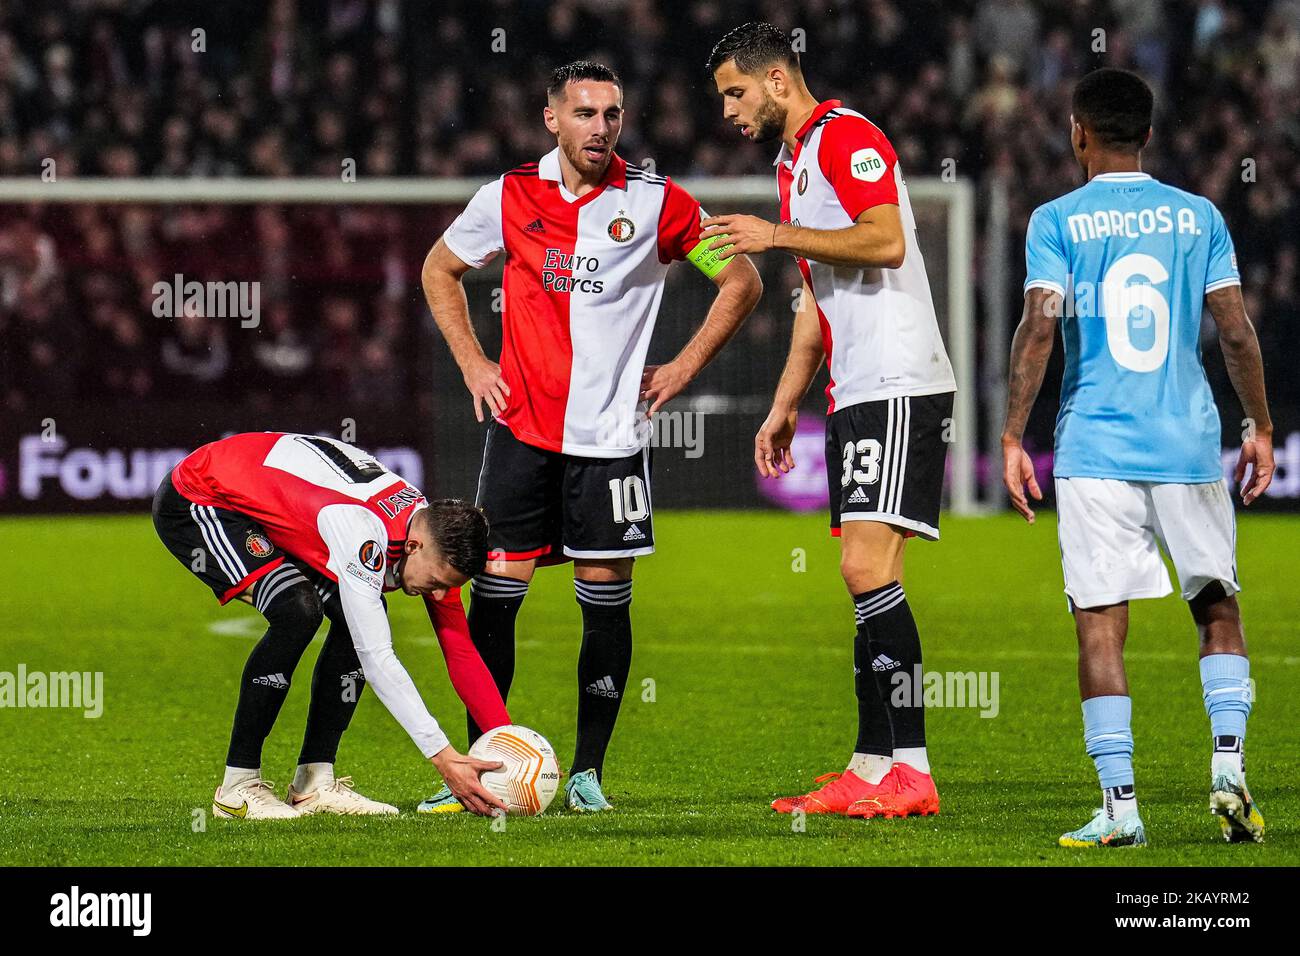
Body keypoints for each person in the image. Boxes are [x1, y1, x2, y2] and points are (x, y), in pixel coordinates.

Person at [420, 60, 762, 813]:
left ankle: (586, 775)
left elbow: (742, 281)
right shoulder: (508, 195)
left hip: (609, 442)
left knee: (605, 604)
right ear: (553, 119)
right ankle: (484, 769)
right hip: (520, 436)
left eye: (611, 113)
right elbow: (439, 270)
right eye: (584, 113)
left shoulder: (657, 203)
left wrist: (683, 365)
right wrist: (475, 360)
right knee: (495, 600)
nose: (600, 127)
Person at [1002, 68, 1274, 847]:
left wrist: (1015, 433)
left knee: (1099, 625)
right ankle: (1227, 769)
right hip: (1186, 443)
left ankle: (1121, 810)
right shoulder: (1199, 216)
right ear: (1149, 135)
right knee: (1216, 606)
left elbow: (1040, 329)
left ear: (1078, 132)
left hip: (1094, 449)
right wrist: (1256, 423)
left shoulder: (1055, 219)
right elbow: (1235, 332)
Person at [704, 21, 957, 819]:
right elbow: (817, 300)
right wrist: (785, 404)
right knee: (864, 575)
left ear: (779, 78)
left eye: (735, 93)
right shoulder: (794, 165)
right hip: (855, 387)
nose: (729, 113)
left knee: (864, 571)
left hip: (899, 378)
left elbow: (882, 242)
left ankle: (912, 770)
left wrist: (776, 236)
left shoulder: (848, 138)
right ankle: (871, 765)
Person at [152, 431, 511, 819]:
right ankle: (237, 787)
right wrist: (443, 758)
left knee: (350, 617)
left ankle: (313, 783)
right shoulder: (362, 532)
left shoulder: (435, 532)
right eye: (438, 583)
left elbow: (459, 647)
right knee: (296, 612)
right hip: (203, 496)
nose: (439, 595)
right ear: (414, 547)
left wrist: (509, 746)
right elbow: (375, 657)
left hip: (277, 502)